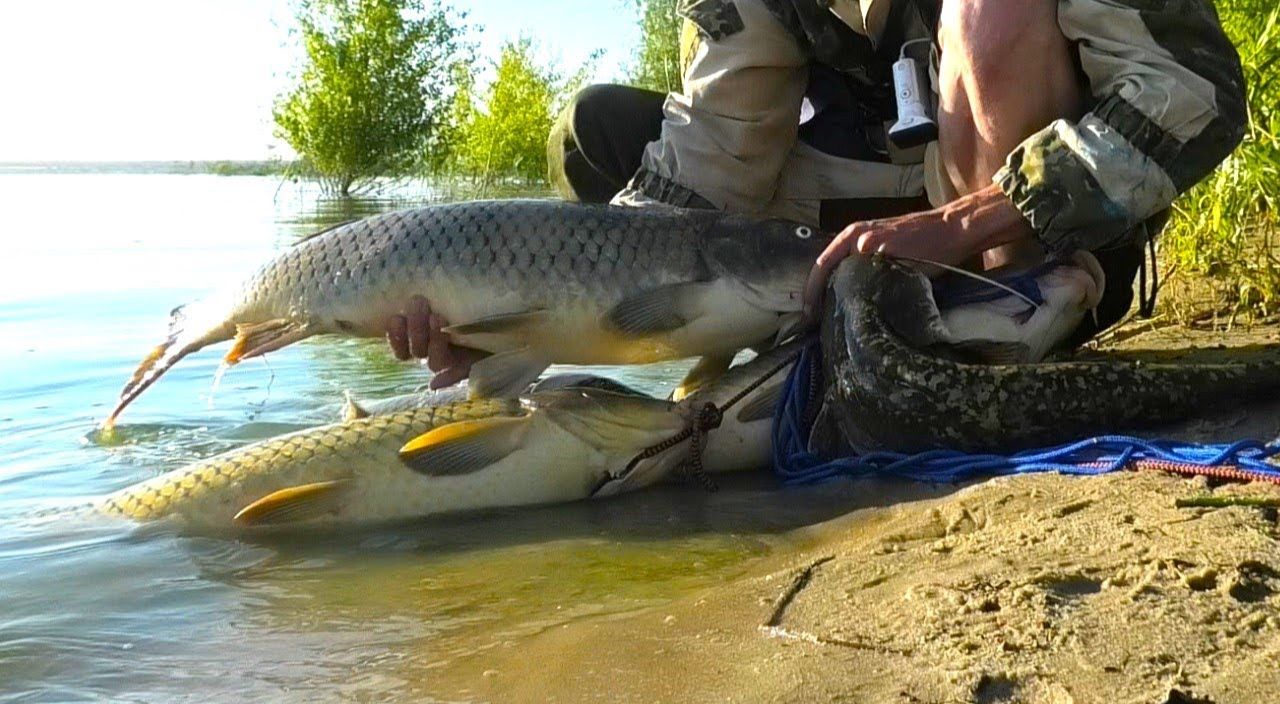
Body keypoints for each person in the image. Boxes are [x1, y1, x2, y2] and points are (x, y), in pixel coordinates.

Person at [389, 0, 1246, 384]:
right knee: (595, 129)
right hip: (839, 217)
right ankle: (806, 336)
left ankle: (1003, 320)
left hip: (1035, 234)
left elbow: (1192, 93)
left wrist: (968, 222)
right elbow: (710, 161)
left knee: (995, 12)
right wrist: (519, 321)